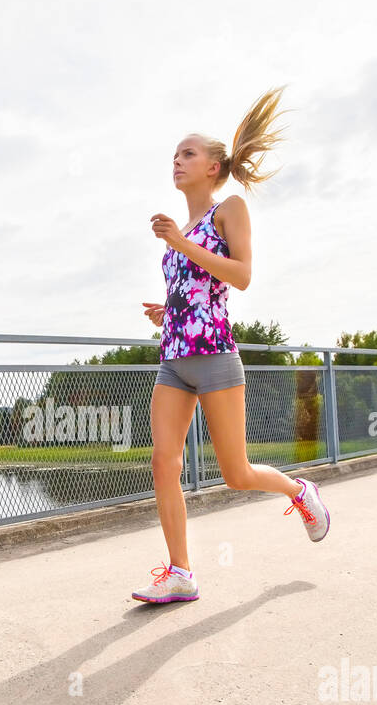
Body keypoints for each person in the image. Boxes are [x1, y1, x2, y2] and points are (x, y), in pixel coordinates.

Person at [132, 85, 330, 605]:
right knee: (163, 462)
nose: (177, 160)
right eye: (174, 154)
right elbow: (196, 288)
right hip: (174, 359)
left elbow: (240, 276)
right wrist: (167, 308)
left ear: (214, 167)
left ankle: (300, 492)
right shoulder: (187, 230)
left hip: (217, 356)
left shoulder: (229, 210)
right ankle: (180, 572)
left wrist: (180, 243)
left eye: (188, 153)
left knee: (236, 473)